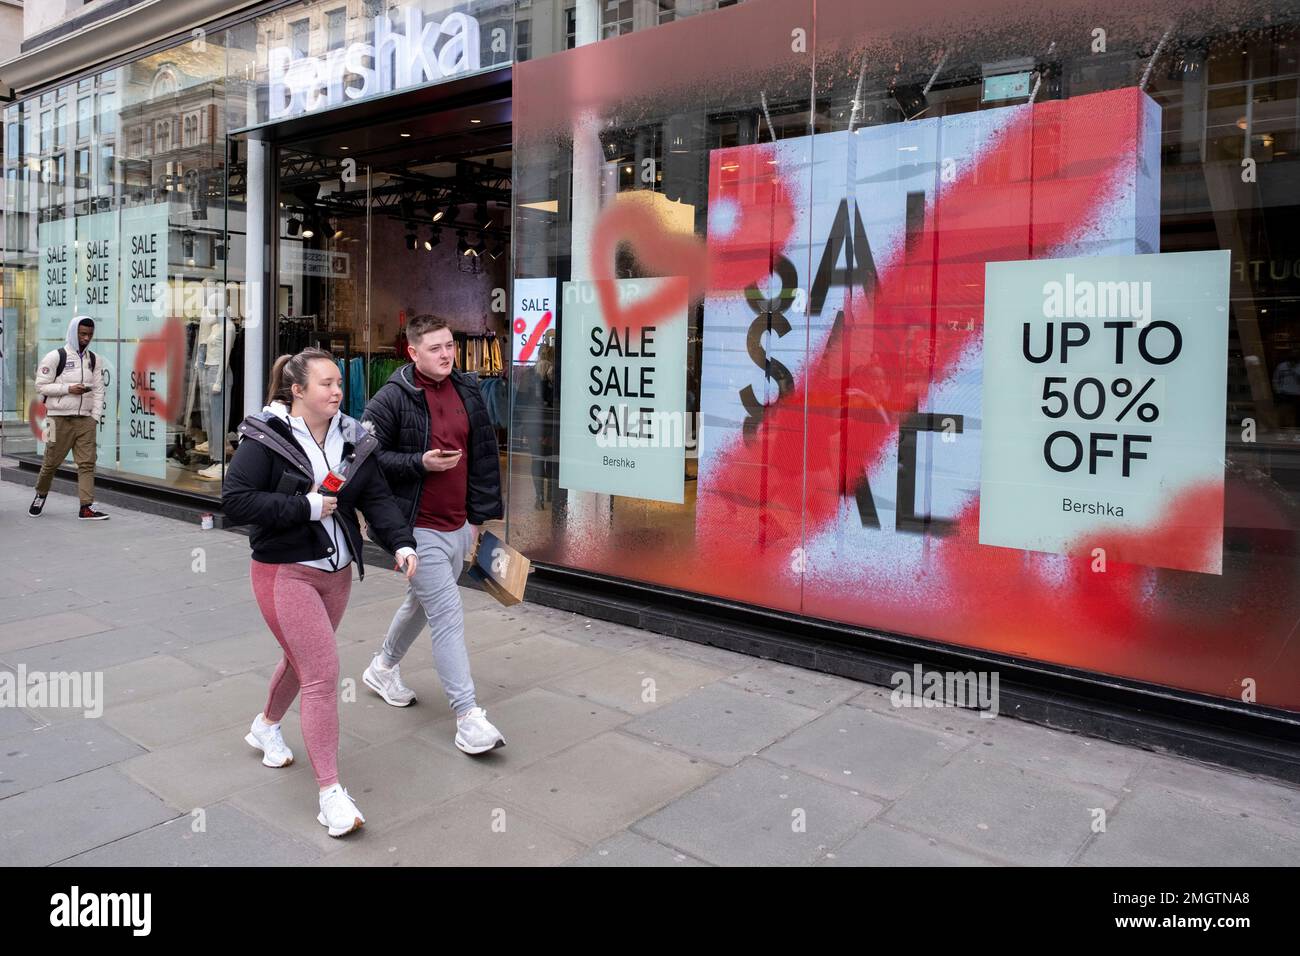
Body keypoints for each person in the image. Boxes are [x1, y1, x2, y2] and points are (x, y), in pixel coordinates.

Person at [221, 347, 419, 837]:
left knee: (302, 662)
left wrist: (402, 542)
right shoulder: (266, 438)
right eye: (327, 384)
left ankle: (265, 725)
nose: (338, 391)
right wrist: (306, 507)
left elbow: (375, 496)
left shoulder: (352, 438)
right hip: (285, 571)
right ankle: (331, 794)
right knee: (322, 674)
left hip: (338, 574)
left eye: (338, 384)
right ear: (298, 391)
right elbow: (236, 501)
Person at [359, 313, 506, 754]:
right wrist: (418, 462)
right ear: (413, 352)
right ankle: (468, 717)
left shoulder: (467, 388)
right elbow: (364, 458)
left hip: (460, 524)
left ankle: (383, 667)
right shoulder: (390, 399)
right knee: (446, 611)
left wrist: (479, 520)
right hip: (415, 527)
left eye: (449, 346)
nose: (446, 354)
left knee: (421, 602)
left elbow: (483, 456)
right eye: (435, 348)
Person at [29, 315, 108, 520]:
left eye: (90, 334)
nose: (86, 338)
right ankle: (40, 494)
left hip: (85, 421)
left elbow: (99, 390)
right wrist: (69, 389)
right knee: (50, 462)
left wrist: (95, 417)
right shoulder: (56, 356)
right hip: (57, 419)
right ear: (74, 332)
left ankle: (86, 507)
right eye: (82, 334)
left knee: (87, 464)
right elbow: (40, 386)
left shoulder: (94, 359)